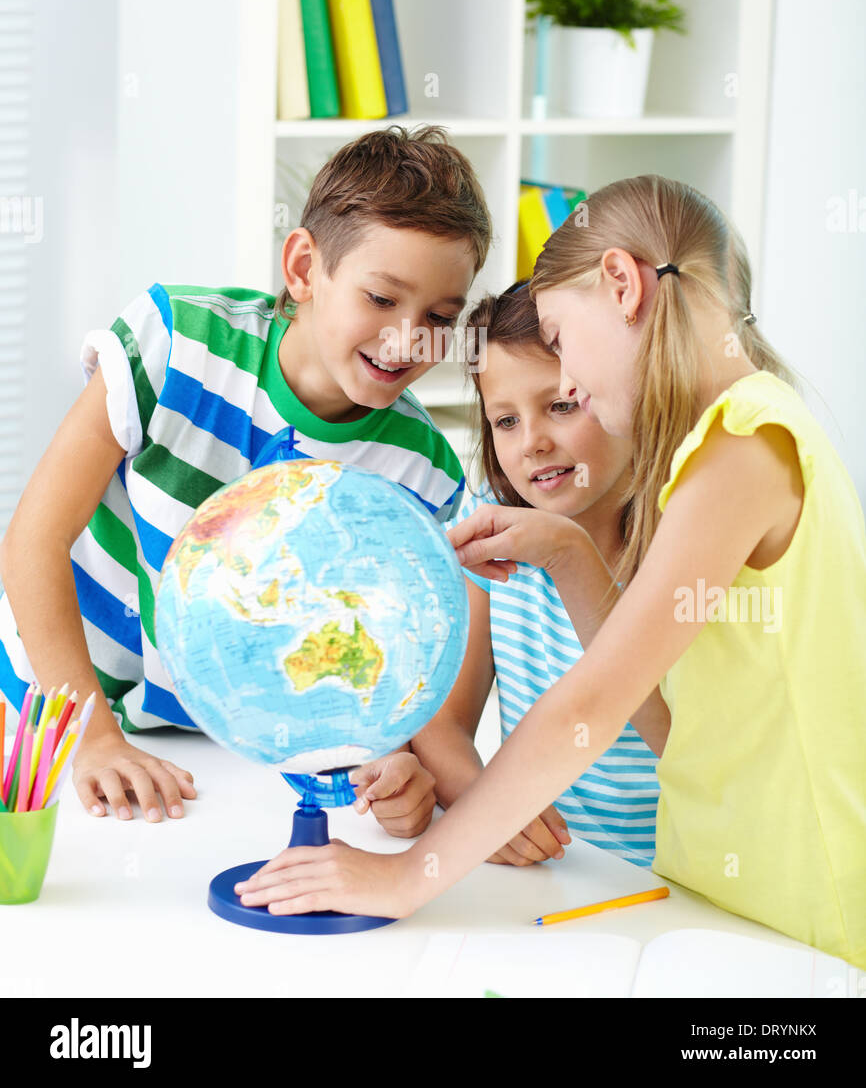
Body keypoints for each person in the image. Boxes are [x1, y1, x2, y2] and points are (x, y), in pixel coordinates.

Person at [233, 174, 866, 973]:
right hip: (715, 899)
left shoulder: (742, 446)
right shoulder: (736, 443)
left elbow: (594, 701)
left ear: (622, 285)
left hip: (799, 913)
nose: (569, 382)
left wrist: (404, 881)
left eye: (563, 340)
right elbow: (662, 704)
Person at [0, 125, 491, 832]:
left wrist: (399, 768)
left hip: (230, 756)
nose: (407, 338)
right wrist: (95, 738)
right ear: (303, 267)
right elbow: (33, 539)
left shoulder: (423, 473)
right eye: (382, 299)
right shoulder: (176, 344)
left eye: (441, 318)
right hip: (54, 707)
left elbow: (386, 673)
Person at [408, 281, 663, 869]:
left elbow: (691, 750)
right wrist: (487, 808)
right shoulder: (490, 528)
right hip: (555, 879)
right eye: (504, 421)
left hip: (676, 886)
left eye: (562, 405)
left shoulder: (686, 538)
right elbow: (444, 726)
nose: (532, 444)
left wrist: (570, 557)